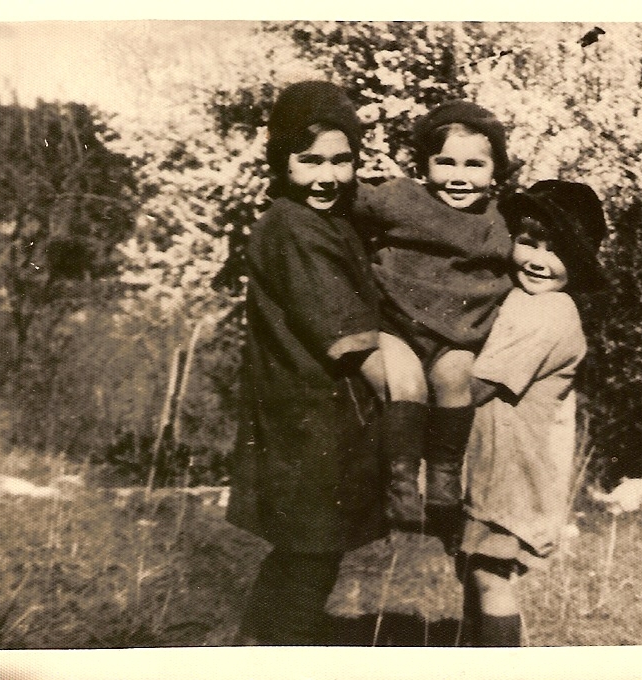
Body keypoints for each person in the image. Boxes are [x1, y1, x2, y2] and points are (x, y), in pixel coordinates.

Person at [225, 81, 388, 646]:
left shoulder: (326, 219)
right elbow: (348, 338)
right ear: (281, 160)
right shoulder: (294, 227)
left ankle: (259, 645)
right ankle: (273, 652)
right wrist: (411, 404)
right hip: (308, 419)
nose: (328, 175)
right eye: (310, 159)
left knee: (307, 554)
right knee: (310, 555)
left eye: (342, 161)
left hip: (315, 416)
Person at [354, 101, 513, 550]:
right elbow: (354, 196)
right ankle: (401, 486)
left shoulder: (499, 222)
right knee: (406, 384)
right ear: (424, 165)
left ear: (495, 169)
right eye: (445, 162)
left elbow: (530, 256)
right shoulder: (403, 198)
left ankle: (444, 479)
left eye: (474, 164)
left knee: (453, 378)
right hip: (399, 322)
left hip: (457, 333)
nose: (458, 176)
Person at [455, 180, 609, 647]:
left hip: (514, 470)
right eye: (528, 243)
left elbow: (478, 387)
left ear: (577, 262)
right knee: (477, 572)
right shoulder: (522, 299)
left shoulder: (551, 313)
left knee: (491, 578)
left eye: (557, 251)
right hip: (491, 463)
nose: (539, 260)